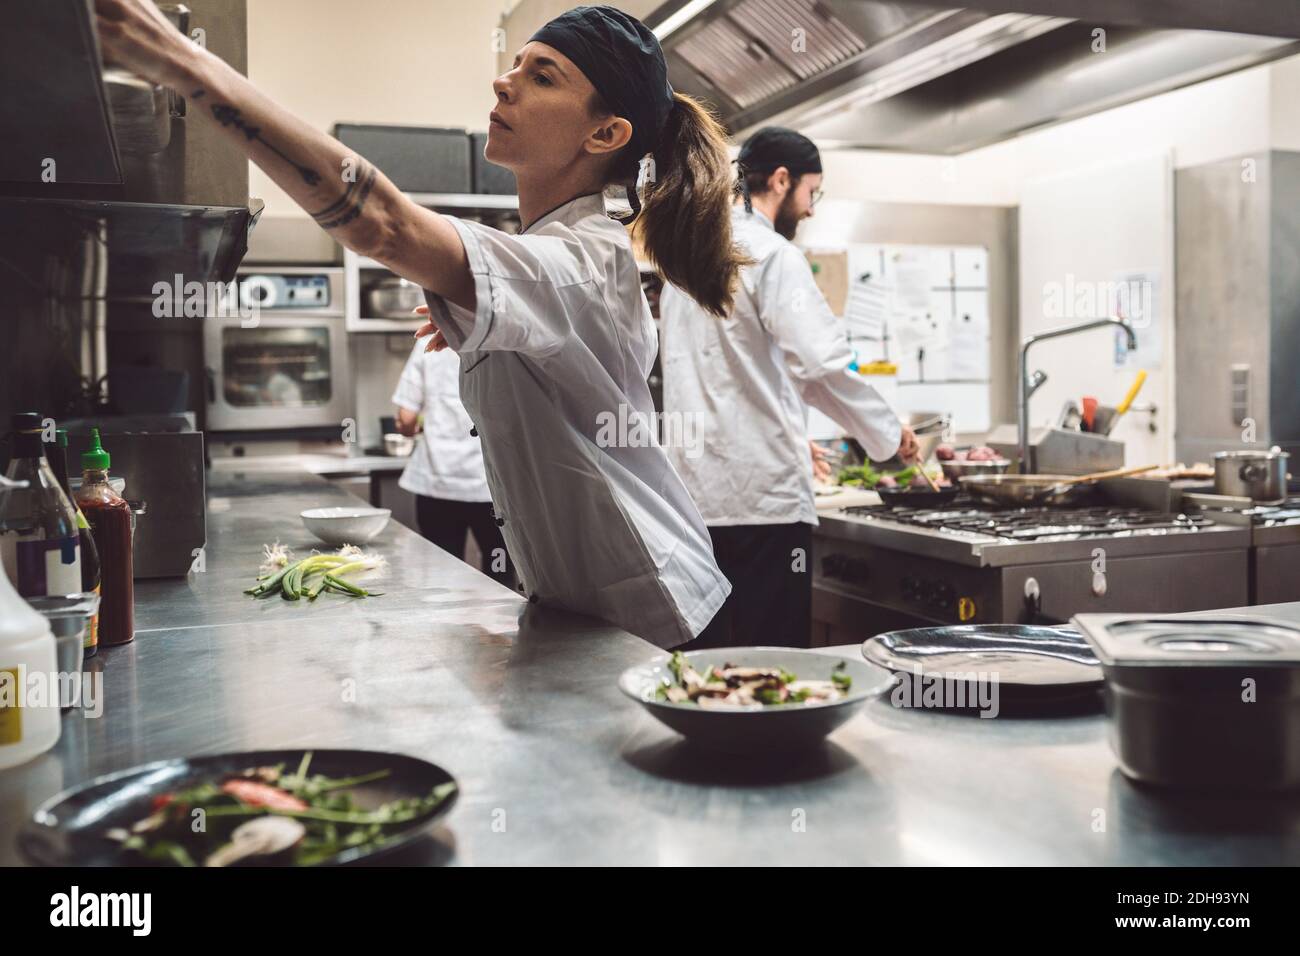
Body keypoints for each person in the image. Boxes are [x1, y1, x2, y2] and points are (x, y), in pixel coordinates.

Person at [93, 1, 744, 648]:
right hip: (585, 617)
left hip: (657, 616)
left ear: (605, 135)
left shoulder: (578, 262)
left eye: (543, 76)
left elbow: (382, 223)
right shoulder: (550, 255)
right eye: (515, 63)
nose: (505, 80)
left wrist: (180, 60)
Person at [659, 127, 918, 649]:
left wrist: (787, 436)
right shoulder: (772, 256)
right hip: (763, 510)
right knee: (772, 667)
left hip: (692, 501)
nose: (811, 209)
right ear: (781, 180)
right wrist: (889, 436)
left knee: (705, 673)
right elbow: (819, 366)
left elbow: (720, 375)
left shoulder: (686, 258)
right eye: (810, 192)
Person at [391, 341, 512, 587]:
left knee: (441, 577)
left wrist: (413, 428)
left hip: (438, 484)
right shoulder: (501, 339)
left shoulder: (429, 342)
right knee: (499, 576)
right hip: (491, 487)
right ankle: (501, 625)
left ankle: (448, 626)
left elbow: (406, 418)